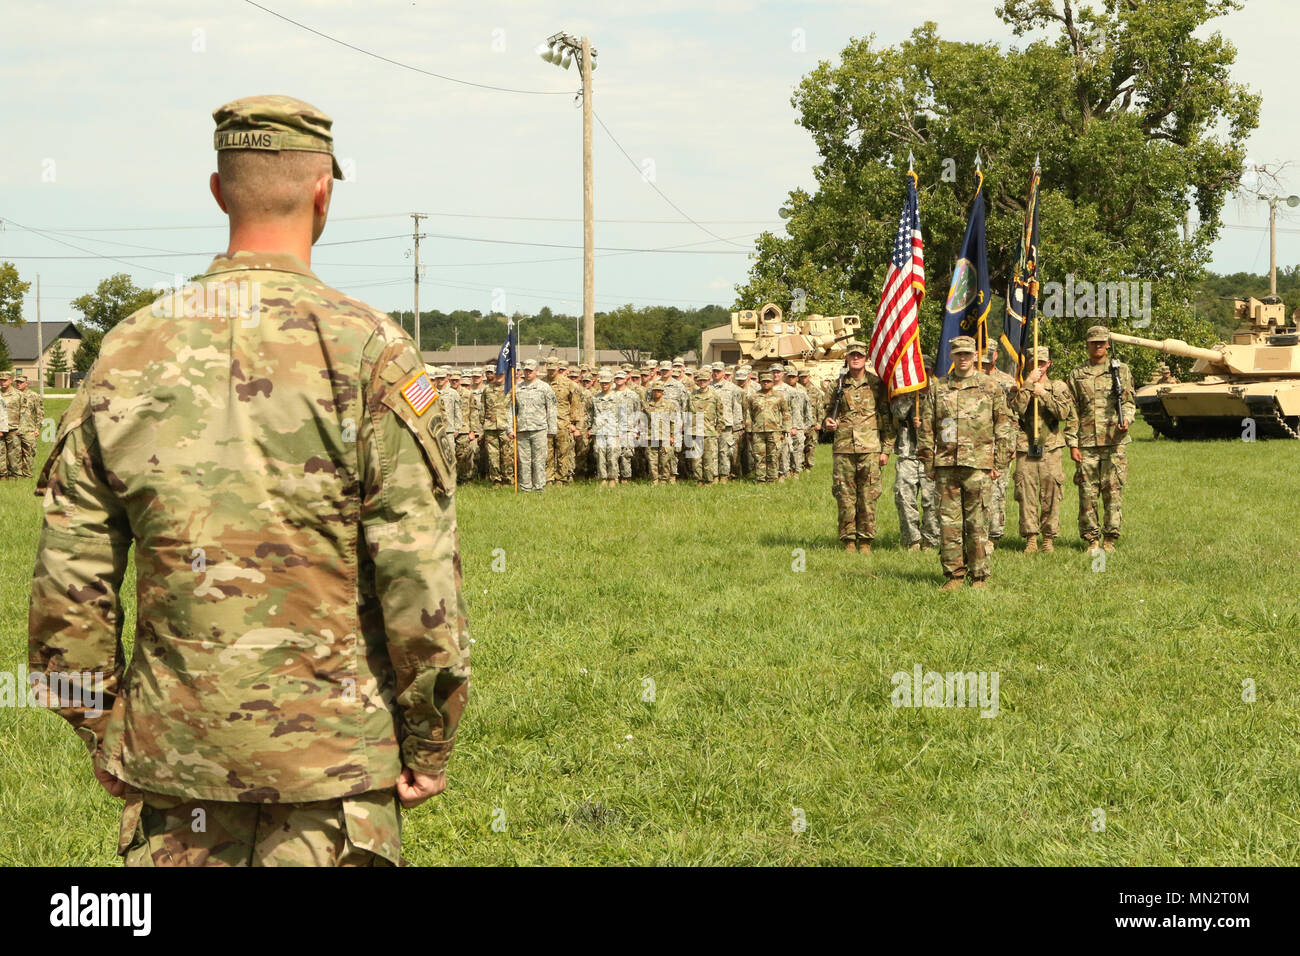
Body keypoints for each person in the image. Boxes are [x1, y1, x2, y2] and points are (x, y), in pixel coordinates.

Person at [27, 95, 469, 867]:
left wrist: (95, 721)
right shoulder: (373, 353)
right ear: (324, 191)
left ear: (218, 191)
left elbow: (69, 581)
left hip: (175, 761)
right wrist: (429, 738)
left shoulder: (128, 350)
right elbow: (417, 570)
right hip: (332, 774)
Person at [918, 335, 1013, 590]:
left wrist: (1000, 463)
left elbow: (1003, 425)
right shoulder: (939, 388)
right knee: (949, 524)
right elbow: (927, 428)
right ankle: (954, 575)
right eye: (958, 354)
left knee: (977, 522)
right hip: (946, 466)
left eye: (967, 354)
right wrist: (928, 464)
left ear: (974, 356)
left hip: (979, 465)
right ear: (951, 356)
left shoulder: (990, 386)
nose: (962, 359)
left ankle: (980, 576)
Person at [1066, 325, 1135, 552]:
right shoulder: (1077, 375)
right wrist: (1072, 443)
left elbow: (1128, 402)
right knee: (1087, 492)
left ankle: (1110, 538)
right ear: (1087, 344)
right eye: (1093, 342)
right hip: (1086, 444)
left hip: (1114, 441)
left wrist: (1128, 420)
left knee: (1113, 491)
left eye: (1102, 342)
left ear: (1107, 344)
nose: (1098, 345)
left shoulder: (1120, 371)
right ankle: (1091, 539)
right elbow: (1072, 411)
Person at [823, 341, 893, 553]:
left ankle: (865, 540)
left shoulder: (876, 385)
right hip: (844, 448)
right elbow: (825, 414)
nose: (856, 358)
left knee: (868, 495)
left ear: (866, 359)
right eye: (852, 355)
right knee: (844, 495)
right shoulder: (837, 386)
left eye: (860, 355)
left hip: (870, 448)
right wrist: (827, 422)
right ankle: (848, 539)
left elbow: (886, 418)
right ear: (847, 358)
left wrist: (886, 449)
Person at [1013, 346, 1076, 553]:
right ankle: (1031, 537)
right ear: (1028, 364)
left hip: (1050, 447)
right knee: (1026, 493)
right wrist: (1029, 385)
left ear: (1048, 363)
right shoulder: (1021, 386)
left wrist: (1044, 395)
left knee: (1051, 493)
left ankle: (1048, 537)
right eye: (1034, 363)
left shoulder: (1058, 386)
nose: (1038, 366)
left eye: (1042, 363)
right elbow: (1017, 410)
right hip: (1026, 445)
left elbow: (1064, 412)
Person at [890, 354, 939, 552]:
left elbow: (949, 422)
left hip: (931, 454)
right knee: (903, 497)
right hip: (908, 452)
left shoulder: (939, 393)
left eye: (925, 372)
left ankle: (931, 540)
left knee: (932, 500)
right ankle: (912, 540)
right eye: (918, 373)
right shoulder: (906, 394)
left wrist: (926, 424)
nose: (922, 377)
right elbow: (897, 413)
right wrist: (912, 397)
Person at [980, 343, 1017, 552]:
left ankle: (994, 535)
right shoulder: (971, 380)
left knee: (997, 491)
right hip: (976, 445)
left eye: (987, 360)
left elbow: (1014, 416)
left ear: (995, 356)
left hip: (999, 444)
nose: (983, 366)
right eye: (981, 361)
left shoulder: (1007, 381)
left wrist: (1010, 445)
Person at [515, 359, 556, 492]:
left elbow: (551, 409)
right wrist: (511, 428)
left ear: (536, 371)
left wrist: (552, 429)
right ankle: (526, 488)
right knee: (524, 461)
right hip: (522, 429)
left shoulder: (544, 388)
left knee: (539, 460)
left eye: (530, 371)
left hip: (539, 429)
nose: (528, 373)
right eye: (526, 370)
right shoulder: (517, 388)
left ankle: (539, 488)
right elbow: (511, 410)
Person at [744, 370, 790, 483]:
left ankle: (772, 479)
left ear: (772, 383)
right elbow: (748, 414)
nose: (766, 383)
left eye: (768, 381)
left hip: (774, 431)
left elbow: (786, 414)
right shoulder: (753, 397)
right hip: (758, 431)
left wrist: (785, 430)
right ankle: (760, 479)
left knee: (773, 456)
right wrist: (749, 430)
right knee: (759, 457)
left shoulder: (779, 396)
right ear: (760, 382)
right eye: (764, 381)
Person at [685, 368, 723, 484]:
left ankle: (709, 481)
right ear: (697, 381)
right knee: (696, 460)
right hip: (695, 432)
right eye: (700, 380)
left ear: (709, 380)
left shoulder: (714, 396)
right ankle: (698, 481)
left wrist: (717, 432)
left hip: (709, 433)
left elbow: (720, 416)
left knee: (708, 459)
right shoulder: (691, 396)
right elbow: (687, 414)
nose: (702, 382)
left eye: (705, 380)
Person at [481, 367, 514, 486]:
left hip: (506, 426)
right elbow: (482, 408)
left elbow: (516, 408)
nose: (499, 376)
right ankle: (496, 480)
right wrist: (482, 425)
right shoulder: (487, 389)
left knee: (507, 454)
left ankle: (508, 479)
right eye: (497, 374)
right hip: (490, 427)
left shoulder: (511, 389)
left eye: (501, 374)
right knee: (492, 455)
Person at [643, 381, 678, 484]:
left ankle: (663, 480)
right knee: (652, 461)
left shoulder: (669, 405)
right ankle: (654, 480)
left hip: (665, 437)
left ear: (662, 392)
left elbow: (673, 421)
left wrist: (672, 435)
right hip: (651, 437)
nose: (657, 393)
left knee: (664, 461)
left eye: (659, 391)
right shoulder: (647, 405)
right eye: (655, 391)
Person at [0, 370, 22, 478]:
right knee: (0, 453)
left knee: (14, 454)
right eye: (1, 380)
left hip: (13, 428)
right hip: (0, 428)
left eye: (5, 380)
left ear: (11, 380)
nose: (2, 382)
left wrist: (22, 428)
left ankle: (15, 475)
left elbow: (24, 412)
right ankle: (2, 475)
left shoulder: (18, 395)